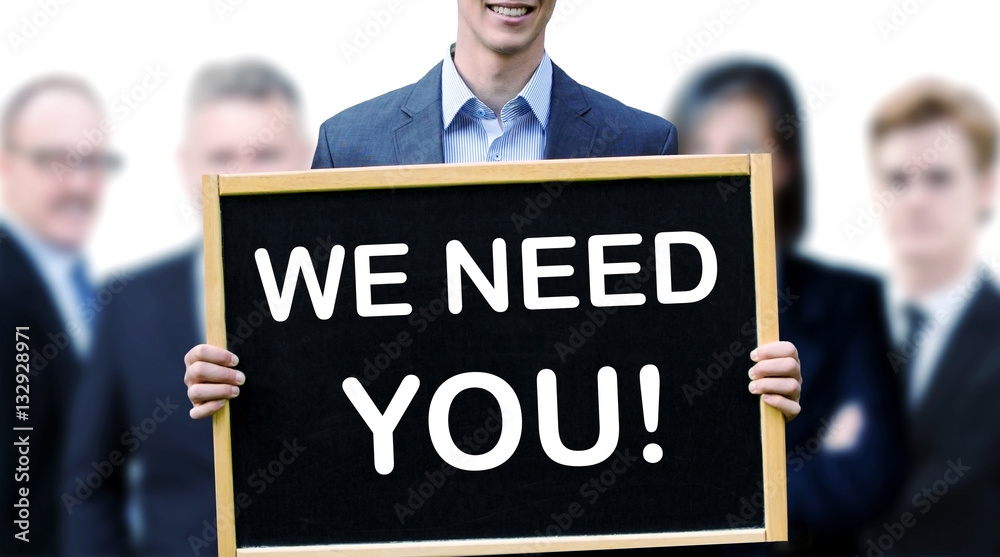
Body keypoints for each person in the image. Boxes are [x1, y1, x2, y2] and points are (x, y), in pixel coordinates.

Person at [184, 1, 803, 426]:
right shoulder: (353, 144)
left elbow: (670, 359)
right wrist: (243, 380)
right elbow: (321, 351)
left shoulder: (641, 144)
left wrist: (750, 387)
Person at [60, 60, 312, 556]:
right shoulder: (129, 305)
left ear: (304, 156)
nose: (242, 175)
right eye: (221, 155)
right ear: (185, 166)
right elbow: (86, 488)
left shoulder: (361, 294)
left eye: (265, 153)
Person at [667, 60, 906, 556]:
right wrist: (805, 462)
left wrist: (711, 486)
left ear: (787, 163)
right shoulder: (648, 309)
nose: (722, 173)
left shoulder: (847, 303)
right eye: (701, 154)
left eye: (741, 151)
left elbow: (867, 475)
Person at [865, 79, 999, 555]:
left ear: (985, 188)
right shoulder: (839, 329)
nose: (916, 199)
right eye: (898, 180)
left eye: (939, 178)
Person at [0, 76, 117, 556]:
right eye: (55, 161)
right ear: (5, 164)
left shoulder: (86, 287)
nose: (80, 184)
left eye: (91, 162)